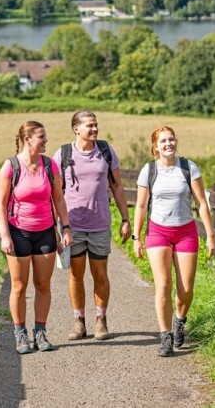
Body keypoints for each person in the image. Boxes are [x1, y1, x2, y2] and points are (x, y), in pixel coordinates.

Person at [133, 125, 215, 357]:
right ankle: (165, 336)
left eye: (171, 140)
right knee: (163, 285)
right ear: (155, 146)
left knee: (186, 289)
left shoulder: (188, 168)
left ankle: (179, 320)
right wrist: (136, 236)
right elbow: (141, 206)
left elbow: (201, 203)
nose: (168, 144)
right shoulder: (148, 171)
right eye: (163, 141)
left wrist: (210, 235)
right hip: (158, 232)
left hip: (185, 232)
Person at [0, 120, 73, 355]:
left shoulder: (50, 166)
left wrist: (65, 228)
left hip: (45, 233)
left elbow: (58, 199)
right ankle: (20, 334)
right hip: (18, 232)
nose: (46, 141)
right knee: (19, 286)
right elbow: (0, 204)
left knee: (43, 285)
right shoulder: (10, 167)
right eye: (42, 137)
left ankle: (40, 332)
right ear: (28, 139)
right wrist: (5, 236)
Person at [55, 110, 130, 341]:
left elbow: (117, 186)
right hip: (72, 226)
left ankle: (101, 319)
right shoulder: (63, 153)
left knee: (100, 274)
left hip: (100, 224)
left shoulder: (105, 151)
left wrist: (126, 219)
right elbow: (54, 192)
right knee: (76, 275)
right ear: (76, 128)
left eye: (96, 125)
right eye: (90, 125)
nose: (95, 129)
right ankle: (79, 322)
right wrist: (56, 225)